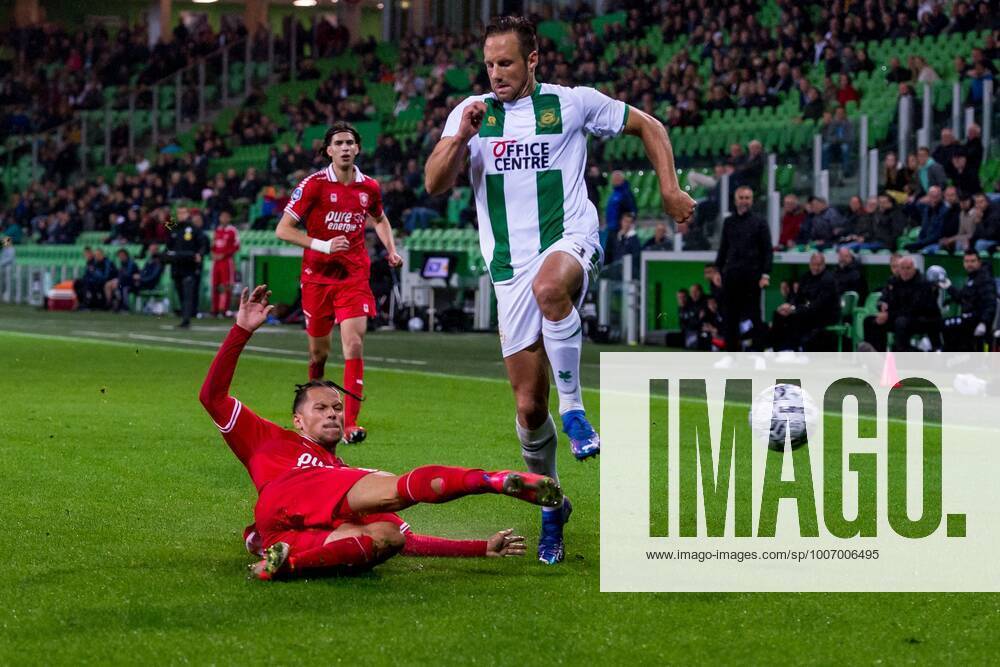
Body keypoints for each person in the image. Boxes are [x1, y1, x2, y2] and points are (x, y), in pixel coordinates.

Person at [423, 15, 695, 564]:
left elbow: (651, 126)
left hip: (570, 237)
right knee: (527, 408)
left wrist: (669, 187)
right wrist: (460, 137)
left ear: (533, 60)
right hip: (508, 269)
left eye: (506, 63)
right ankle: (552, 506)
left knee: (553, 288)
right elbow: (433, 183)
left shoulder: (571, 103)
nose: (497, 73)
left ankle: (576, 411)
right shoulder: (472, 114)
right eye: (490, 64)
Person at [202, 286, 552, 580]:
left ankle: (282, 563)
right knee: (395, 488)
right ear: (297, 420)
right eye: (320, 408)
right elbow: (212, 397)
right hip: (288, 490)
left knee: (389, 538)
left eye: (338, 409)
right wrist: (241, 330)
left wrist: (479, 548)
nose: (332, 415)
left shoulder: (338, 473)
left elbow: (410, 541)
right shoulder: (269, 439)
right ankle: (491, 480)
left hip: (283, 531)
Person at [275, 122, 403, 445]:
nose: (345, 148)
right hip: (317, 277)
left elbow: (380, 218)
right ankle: (312, 412)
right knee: (318, 353)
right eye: (339, 143)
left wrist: (391, 249)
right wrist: (324, 245)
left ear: (357, 148)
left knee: (354, 343)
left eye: (350, 143)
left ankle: (350, 424)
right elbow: (284, 229)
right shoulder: (314, 185)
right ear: (329, 150)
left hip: (353, 276)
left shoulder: (369, 187)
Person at [715, 186, 772, 352]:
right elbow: (723, 248)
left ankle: (759, 353)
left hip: (753, 276)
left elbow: (767, 250)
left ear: (752, 200)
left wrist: (766, 274)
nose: (744, 201)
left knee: (755, 316)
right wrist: (718, 269)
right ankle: (731, 355)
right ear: (735, 200)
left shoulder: (760, 222)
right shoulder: (728, 222)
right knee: (730, 317)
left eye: (747, 198)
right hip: (731, 276)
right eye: (741, 197)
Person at [863, 256, 943, 351]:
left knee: (901, 322)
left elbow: (914, 308)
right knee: (870, 321)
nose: (905, 271)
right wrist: (881, 306)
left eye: (908, 268)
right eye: (902, 268)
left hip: (922, 318)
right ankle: (877, 356)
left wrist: (889, 315)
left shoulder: (922, 283)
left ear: (914, 268)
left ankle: (903, 354)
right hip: (898, 316)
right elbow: (883, 298)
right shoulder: (893, 281)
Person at [769, 252, 840, 350]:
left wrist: (795, 310)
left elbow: (818, 305)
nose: (816, 268)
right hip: (807, 309)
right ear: (810, 264)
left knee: (797, 318)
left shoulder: (828, 280)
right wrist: (789, 306)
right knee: (779, 314)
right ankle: (777, 349)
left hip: (825, 314)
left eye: (819, 265)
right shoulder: (806, 277)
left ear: (824, 265)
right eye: (813, 265)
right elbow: (798, 297)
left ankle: (793, 348)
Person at [940, 250, 996, 351]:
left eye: (972, 261)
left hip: (976, 320)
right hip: (967, 319)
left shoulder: (985, 279)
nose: (969, 264)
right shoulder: (972, 278)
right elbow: (964, 297)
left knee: (946, 326)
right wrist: (949, 288)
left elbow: (990, 303)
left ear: (979, 262)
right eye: (966, 261)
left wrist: (984, 323)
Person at [165, 207, 209, 328]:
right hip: (176, 267)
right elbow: (168, 245)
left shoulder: (194, 229)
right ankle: (186, 315)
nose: (181, 215)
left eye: (183, 213)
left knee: (188, 293)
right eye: (179, 213)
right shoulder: (173, 229)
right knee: (181, 293)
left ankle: (186, 319)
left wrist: (200, 254)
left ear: (188, 214)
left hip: (189, 267)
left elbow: (203, 245)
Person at [211, 210, 240, 317]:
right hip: (216, 262)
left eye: (225, 217)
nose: (223, 219)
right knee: (215, 285)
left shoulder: (232, 231)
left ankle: (224, 309)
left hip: (227, 261)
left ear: (229, 219)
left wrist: (225, 254)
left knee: (226, 285)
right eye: (222, 217)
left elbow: (236, 246)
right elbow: (213, 244)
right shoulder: (217, 230)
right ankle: (214, 309)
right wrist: (213, 253)